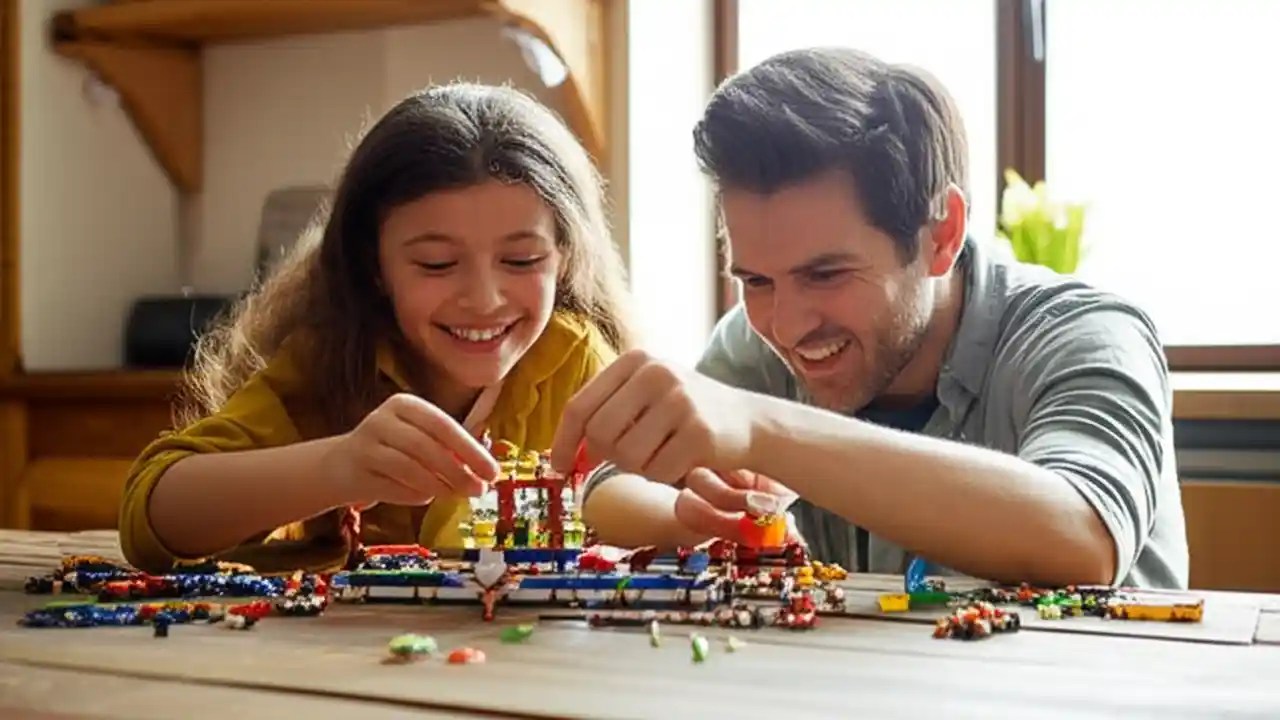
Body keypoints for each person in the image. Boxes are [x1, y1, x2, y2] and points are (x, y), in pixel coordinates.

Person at [557, 47, 1187, 589]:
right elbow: (611, 490)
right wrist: (711, 522)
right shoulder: (755, 343)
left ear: (942, 235)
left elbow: (1083, 538)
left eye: (826, 274)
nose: (788, 325)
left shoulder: (1089, 334)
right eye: (756, 281)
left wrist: (761, 430)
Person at [120, 83, 634, 574]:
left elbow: (642, 498)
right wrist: (336, 467)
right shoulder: (328, 361)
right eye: (436, 264)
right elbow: (152, 517)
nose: (484, 300)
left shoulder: (578, 363)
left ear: (565, 258)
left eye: (521, 260)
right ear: (374, 264)